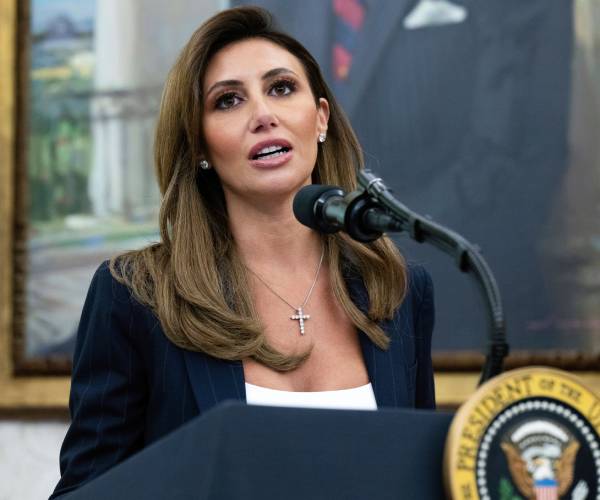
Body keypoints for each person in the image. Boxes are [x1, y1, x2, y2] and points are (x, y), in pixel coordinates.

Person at [51, 6, 435, 498]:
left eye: (281, 88)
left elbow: (419, 478)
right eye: (228, 100)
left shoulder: (398, 290)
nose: (263, 116)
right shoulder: (136, 294)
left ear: (320, 118)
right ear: (199, 146)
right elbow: (85, 492)